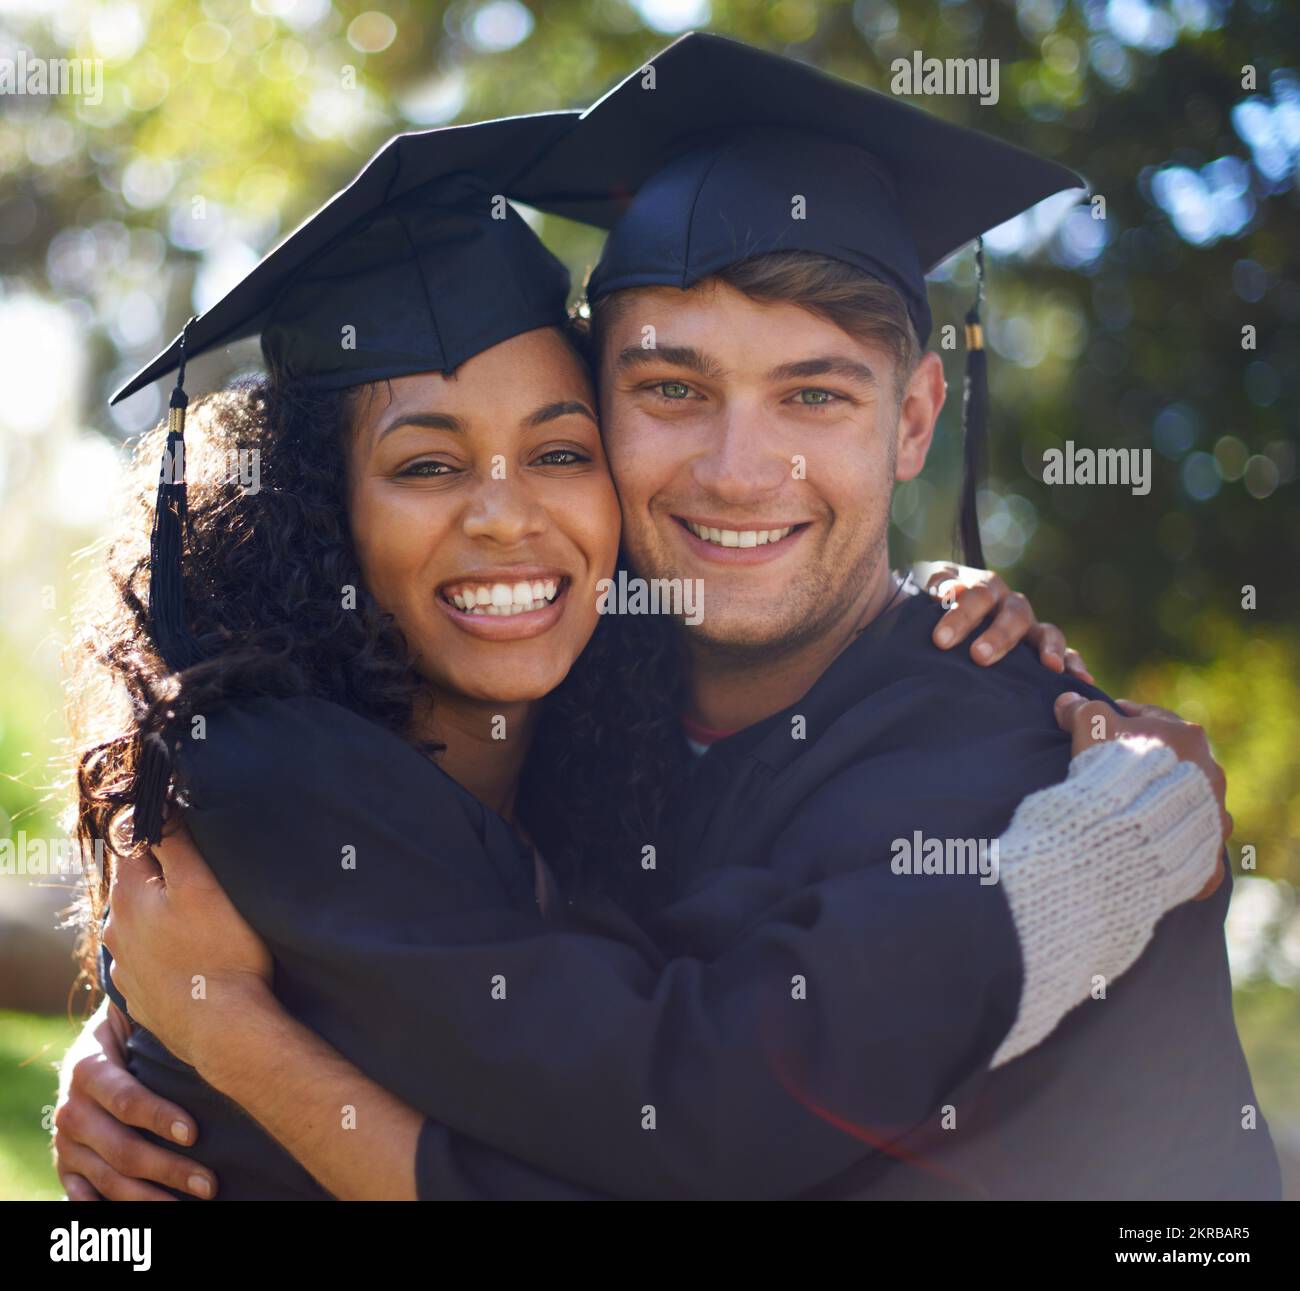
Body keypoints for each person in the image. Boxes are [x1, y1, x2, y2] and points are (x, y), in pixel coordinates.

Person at [54, 42, 1270, 1201]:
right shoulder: (578, 729)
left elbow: (699, 1112)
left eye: (814, 394)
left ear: (912, 424)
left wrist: (232, 1036)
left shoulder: (1010, 770)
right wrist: (147, 1035)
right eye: (671, 390)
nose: (740, 473)